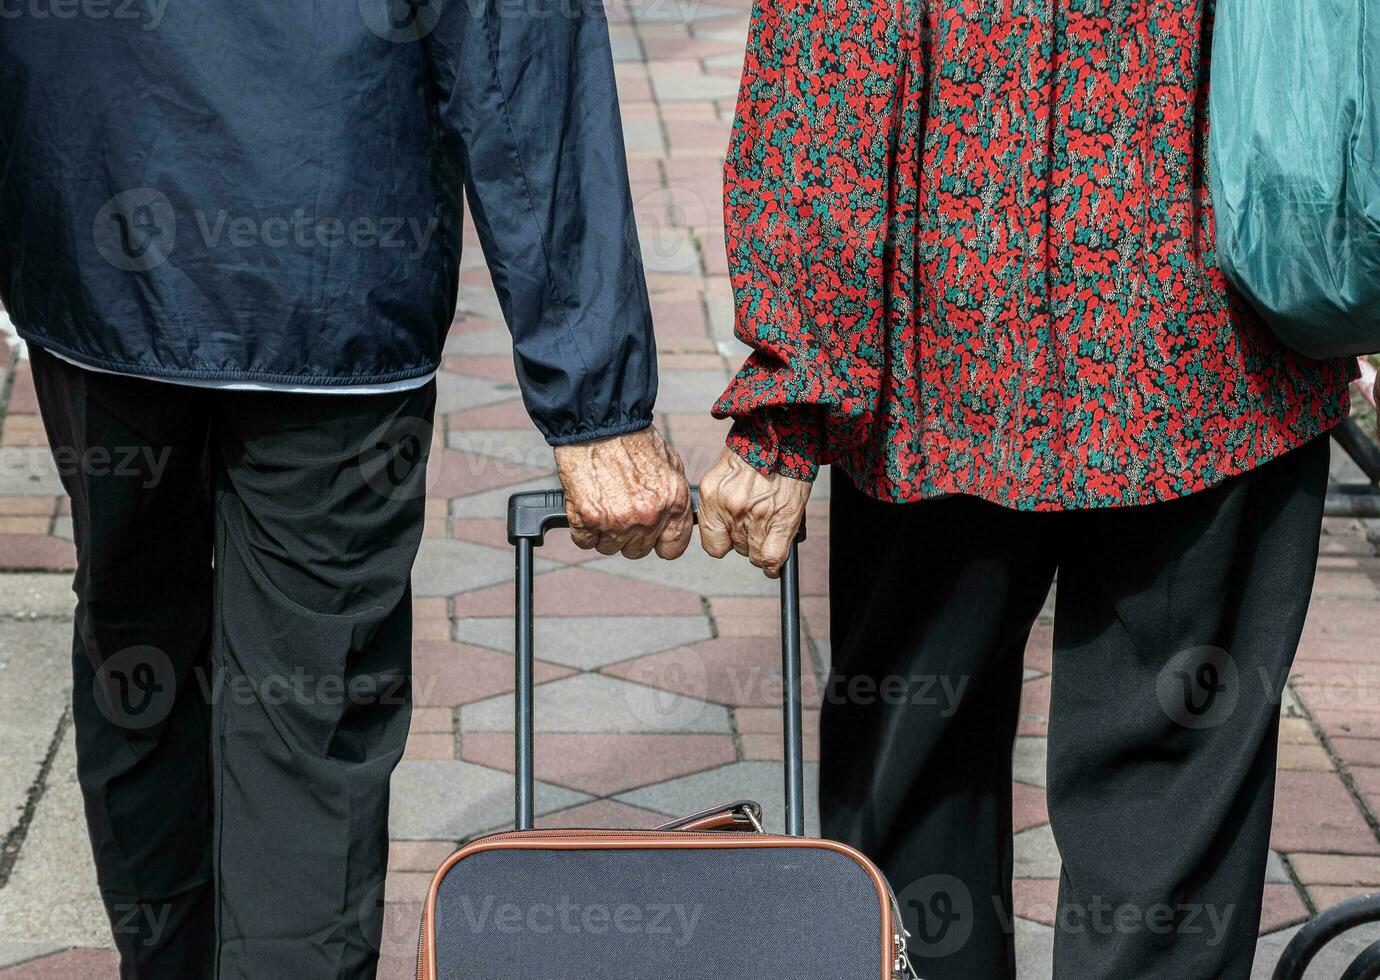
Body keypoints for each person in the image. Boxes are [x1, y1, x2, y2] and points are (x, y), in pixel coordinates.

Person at [0, 2, 691, 977]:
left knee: (140, 643)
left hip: (96, 206)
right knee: (300, 706)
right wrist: (596, 394)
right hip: (321, 246)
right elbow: (515, 36)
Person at [698, 3, 1379, 978]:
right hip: (1210, 333)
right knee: (1165, 834)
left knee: (916, 808)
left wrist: (795, 386)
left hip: (950, 334)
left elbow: (830, 45)